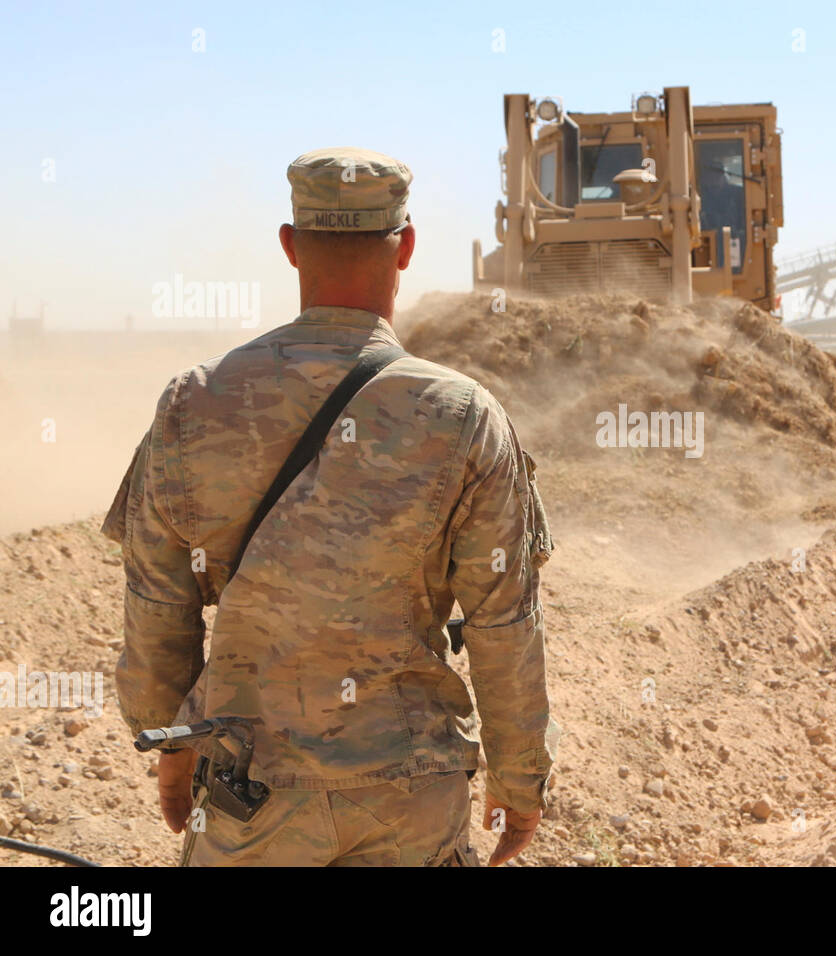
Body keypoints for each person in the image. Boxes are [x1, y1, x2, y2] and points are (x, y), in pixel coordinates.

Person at [102, 147, 559, 866]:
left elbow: (158, 605)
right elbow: (503, 619)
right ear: (405, 246)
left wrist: (170, 743)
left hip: (250, 791)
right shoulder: (461, 414)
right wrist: (521, 777)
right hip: (409, 795)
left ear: (289, 246)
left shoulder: (192, 402)